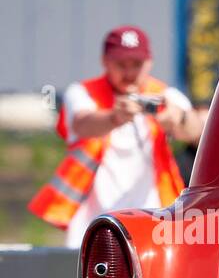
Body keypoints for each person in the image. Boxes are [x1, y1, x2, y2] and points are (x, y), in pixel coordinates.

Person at [28, 26, 208, 247]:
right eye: (121, 64)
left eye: (137, 64)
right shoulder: (84, 93)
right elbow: (82, 123)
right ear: (105, 61)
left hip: (152, 222)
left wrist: (177, 119)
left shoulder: (164, 95)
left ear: (149, 63)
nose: (129, 72)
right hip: (91, 225)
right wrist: (115, 117)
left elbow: (197, 133)